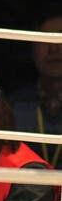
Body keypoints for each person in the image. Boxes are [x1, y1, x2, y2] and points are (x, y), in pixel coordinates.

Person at [9, 12, 62, 169]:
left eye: (60, 38)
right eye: (45, 39)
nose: (53, 48)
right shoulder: (12, 104)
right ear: (32, 49)